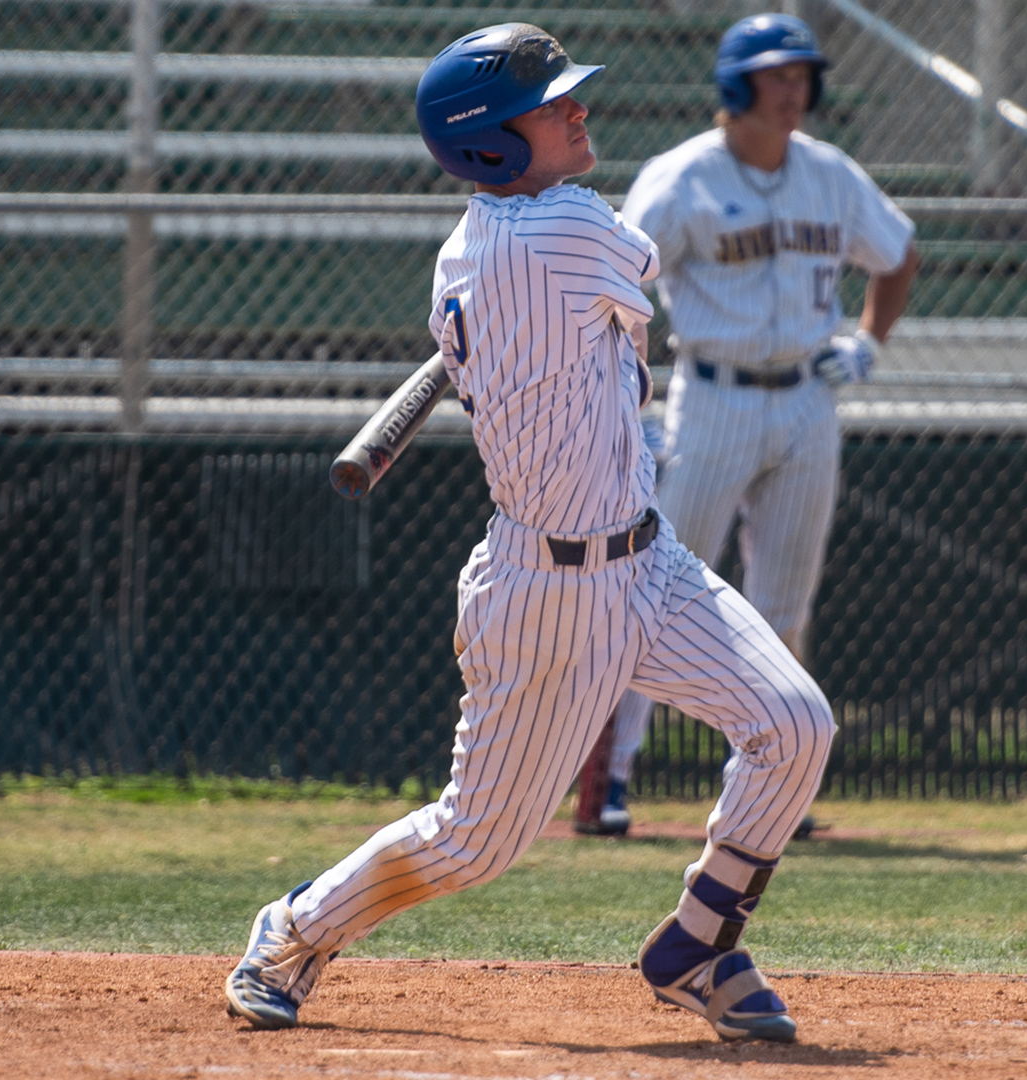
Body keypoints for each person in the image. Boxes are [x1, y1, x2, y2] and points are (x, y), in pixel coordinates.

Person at [221, 23, 835, 1044]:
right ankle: (292, 930)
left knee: (796, 724)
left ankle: (700, 941)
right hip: (551, 595)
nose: (576, 111)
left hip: (651, 559)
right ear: (491, 144)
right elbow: (639, 256)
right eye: (551, 106)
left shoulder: (474, 244)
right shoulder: (557, 229)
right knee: (477, 842)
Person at [586, 13, 918, 837]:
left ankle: (773, 785)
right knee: (652, 593)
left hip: (808, 398)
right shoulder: (682, 177)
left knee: (786, 602)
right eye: (776, 75)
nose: (793, 89)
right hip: (713, 394)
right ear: (736, 86)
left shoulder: (830, 174)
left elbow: (900, 251)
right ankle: (611, 776)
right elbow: (614, 284)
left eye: (802, 75)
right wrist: (638, 402)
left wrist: (868, 343)